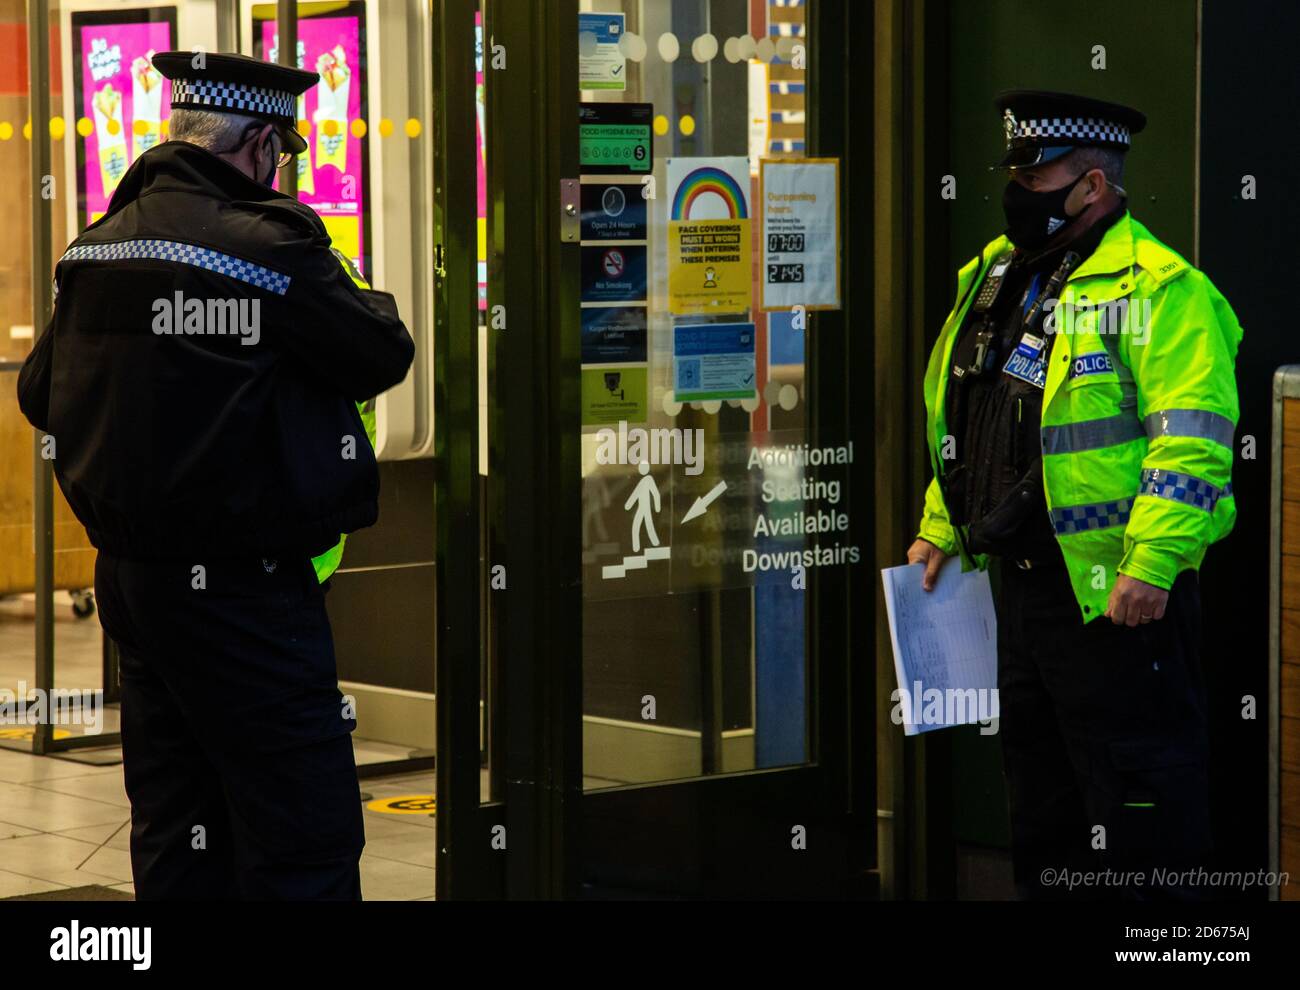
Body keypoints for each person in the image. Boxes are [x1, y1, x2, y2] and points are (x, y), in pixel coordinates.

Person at [16, 52, 415, 899]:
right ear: (263, 144)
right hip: (248, 591)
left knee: (175, 819)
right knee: (299, 828)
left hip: (132, 583)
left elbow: (40, 391)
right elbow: (381, 350)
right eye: (284, 156)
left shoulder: (96, 248)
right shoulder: (270, 245)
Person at [906, 91, 1242, 899]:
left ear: (1093, 185)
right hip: (1021, 597)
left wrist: (1153, 565)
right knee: (1044, 811)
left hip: (1117, 604)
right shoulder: (997, 275)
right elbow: (976, 415)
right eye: (1014, 166)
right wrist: (940, 526)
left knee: (1142, 819)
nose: (1019, 184)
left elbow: (1192, 442)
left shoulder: (1163, 288)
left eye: (1038, 170)